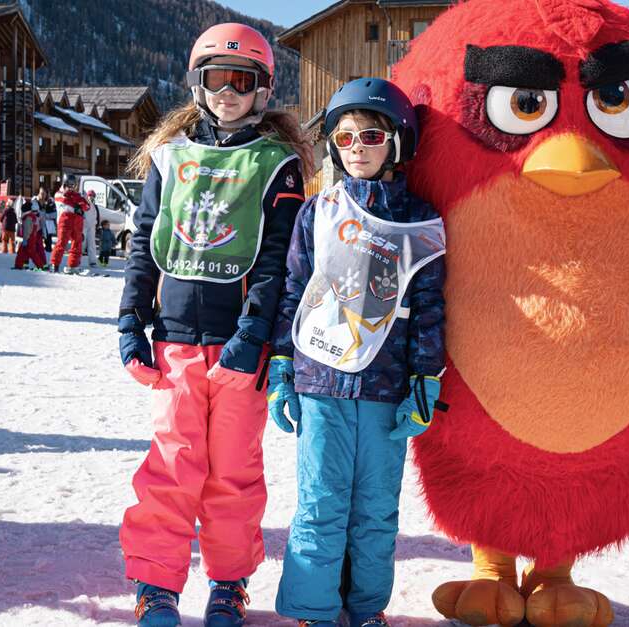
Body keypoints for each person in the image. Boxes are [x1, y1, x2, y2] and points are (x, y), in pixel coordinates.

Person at [116, 22, 311, 627]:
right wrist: (131, 321)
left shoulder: (276, 165)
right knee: (172, 465)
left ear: (262, 89)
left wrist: (254, 337)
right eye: (215, 79)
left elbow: (280, 261)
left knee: (233, 470)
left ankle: (228, 582)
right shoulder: (171, 158)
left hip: (238, 349)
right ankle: (157, 584)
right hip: (174, 340)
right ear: (196, 84)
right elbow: (145, 247)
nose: (227, 92)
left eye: (242, 80)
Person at [267, 77, 444, 627]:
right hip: (321, 381)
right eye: (344, 139)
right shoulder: (318, 212)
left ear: (397, 143)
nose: (357, 148)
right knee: (321, 504)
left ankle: (366, 608)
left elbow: (431, 304)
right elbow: (293, 290)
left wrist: (426, 376)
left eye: (370, 135)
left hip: (387, 389)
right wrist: (280, 365)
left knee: (374, 511)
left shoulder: (420, 221)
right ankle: (313, 610)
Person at [50, 175, 89, 273]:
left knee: (77, 243)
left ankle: (73, 265)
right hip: (65, 221)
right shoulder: (59, 193)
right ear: (65, 184)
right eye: (69, 185)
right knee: (61, 243)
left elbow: (86, 206)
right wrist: (76, 207)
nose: (71, 187)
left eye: (73, 185)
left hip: (76, 222)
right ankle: (54, 264)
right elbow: (63, 200)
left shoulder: (75, 194)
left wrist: (80, 205)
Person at [13, 196, 47, 270]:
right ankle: (18, 265)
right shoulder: (32, 216)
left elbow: (27, 230)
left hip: (28, 239)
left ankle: (40, 266)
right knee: (23, 253)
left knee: (30, 253)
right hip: (31, 238)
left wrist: (25, 239)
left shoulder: (28, 218)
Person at [83, 188, 100, 269]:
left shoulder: (95, 206)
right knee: (81, 244)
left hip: (92, 227)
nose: (91, 197)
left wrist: (96, 226)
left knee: (92, 245)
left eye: (93, 196)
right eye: (90, 196)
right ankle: (76, 260)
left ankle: (92, 261)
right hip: (84, 227)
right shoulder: (84, 204)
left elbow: (97, 217)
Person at [36, 187, 56, 252]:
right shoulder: (35, 201)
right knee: (37, 239)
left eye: (44, 194)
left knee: (48, 240)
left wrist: (45, 215)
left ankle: (48, 251)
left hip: (48, 224)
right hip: (38, 224)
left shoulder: (50, 202)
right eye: (41, 193)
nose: (42, 195)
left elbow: (54, 214)